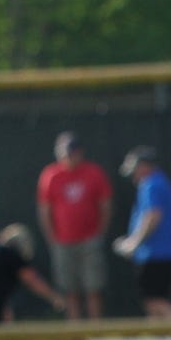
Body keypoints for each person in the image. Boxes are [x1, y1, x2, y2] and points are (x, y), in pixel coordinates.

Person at [36, 134, 112, 321]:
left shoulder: (94, 173)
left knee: (93, 289)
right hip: (62, 242)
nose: (68, 158)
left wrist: (98, 233)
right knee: (70, 291)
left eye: (72, 153)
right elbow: (45, 211)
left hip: (90, 241)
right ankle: (75, 337)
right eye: (64, 154)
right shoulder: (50, 175)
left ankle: (95, 334)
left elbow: (106, 206)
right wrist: (52, 238)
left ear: (80, 153)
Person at [115, 149, 171, 320]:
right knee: (153, 305)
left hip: (156, 255)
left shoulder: (151, 184)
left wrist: (133, 243)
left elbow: (153, 216)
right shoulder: (160, 182)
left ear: (144, 167)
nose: (133, 176)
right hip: (160, 254)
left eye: (134, 170)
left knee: (155, 302)